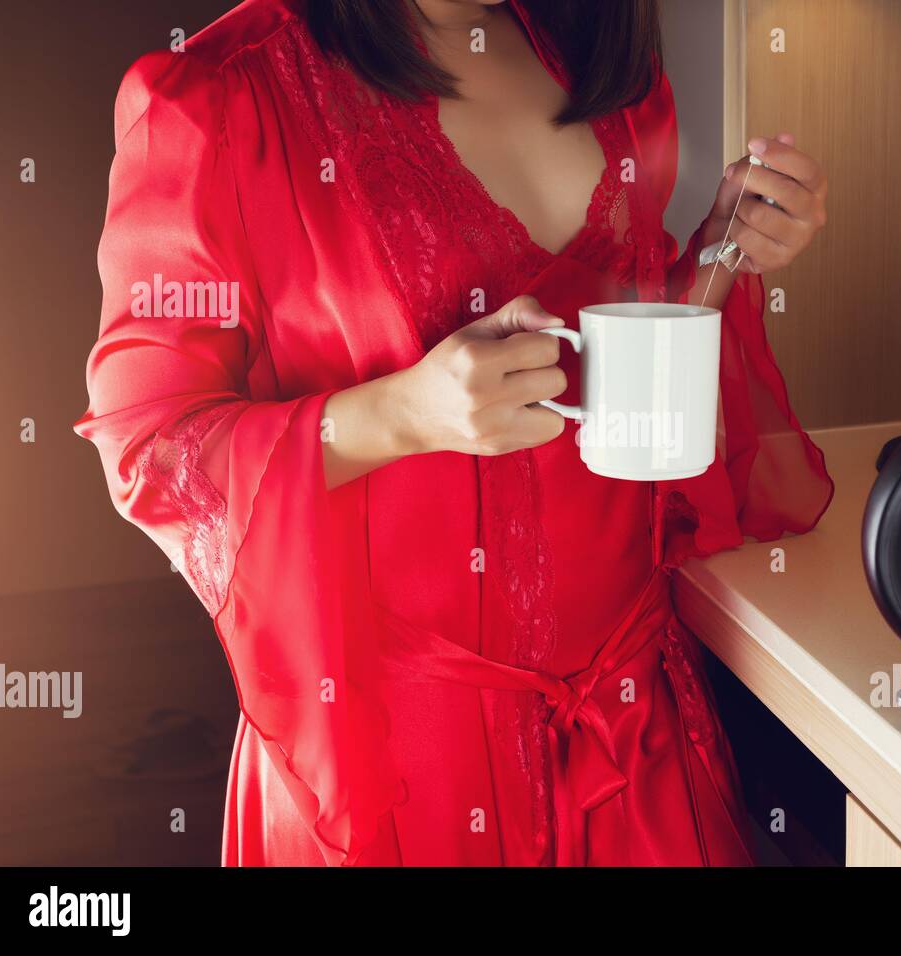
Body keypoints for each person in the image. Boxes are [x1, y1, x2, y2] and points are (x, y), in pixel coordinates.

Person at [75, 0, 833, 865]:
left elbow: (627, 337)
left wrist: (728, 250)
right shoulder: (216, 100)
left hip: (636, 727)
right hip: (400, 769)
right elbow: (149, 449)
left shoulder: (603, 67)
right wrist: (403, 414)